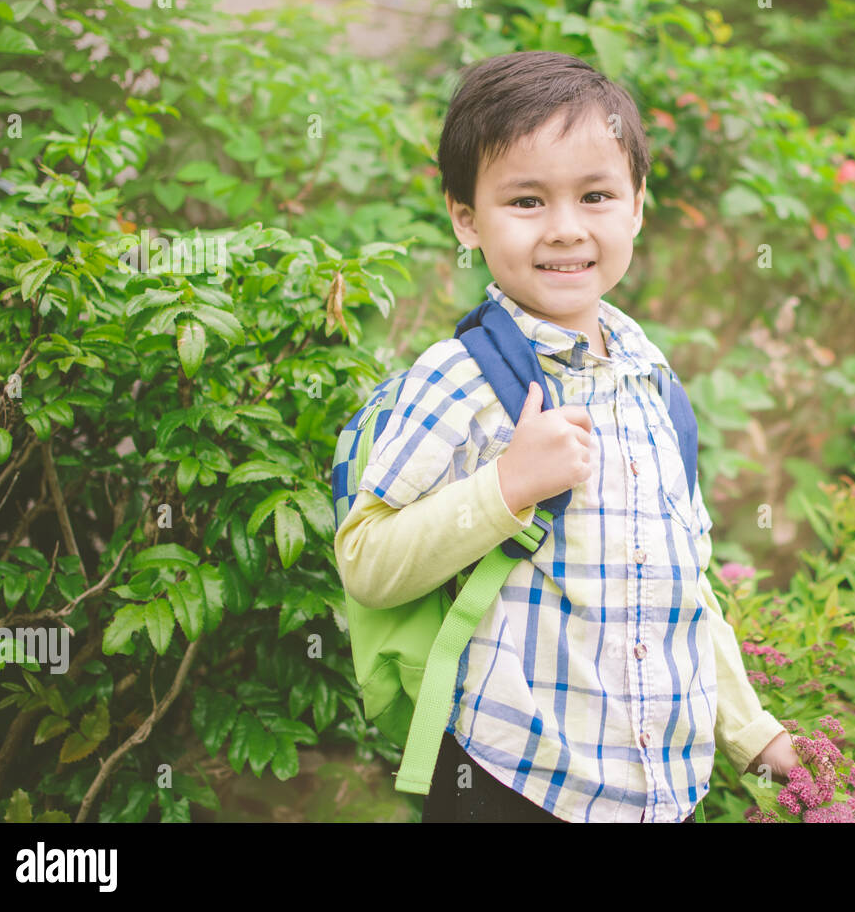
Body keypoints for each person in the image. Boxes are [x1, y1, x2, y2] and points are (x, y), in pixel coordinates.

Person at [334, 50, 799, 823]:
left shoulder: (654, 383)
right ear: (464, 216)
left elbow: (681, 590)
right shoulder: (461, 378)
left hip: (661, 792)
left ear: (637, 206)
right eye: (525, 201)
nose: (565, 229)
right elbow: (367, 562)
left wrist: (753, 732)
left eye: (595, 195)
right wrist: (506, 487)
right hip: (513, 780)